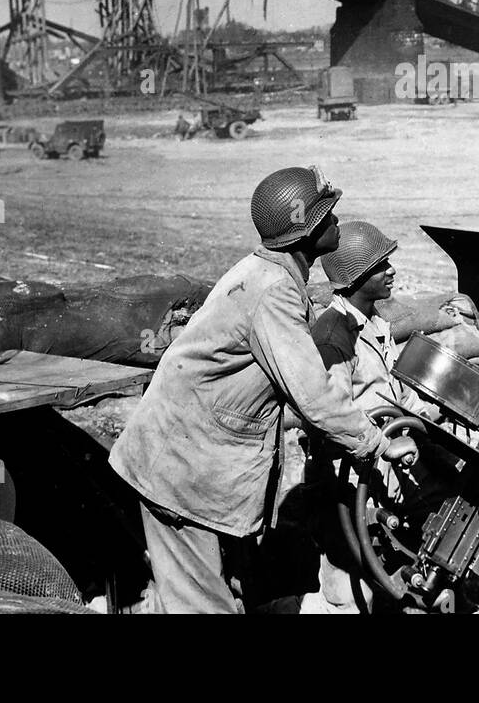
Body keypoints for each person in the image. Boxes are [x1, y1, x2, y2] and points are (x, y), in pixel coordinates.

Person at [109, 166, 417, 614]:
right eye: (328, 216)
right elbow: (313, 395)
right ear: (306, 232)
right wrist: (375, 444)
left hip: (186, 460)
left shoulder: (264, 270)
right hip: (181, 471)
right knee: (203, 606)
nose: (337, 223)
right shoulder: (274, 292)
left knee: (202, 593)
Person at [300, 221, 437, 613]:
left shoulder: (375, 325)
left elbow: (393, 392)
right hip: (346, 487)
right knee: (347, 592)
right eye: (381, 265)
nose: (392, 269)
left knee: (388, 581)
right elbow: (330, 414)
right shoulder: (333, 336)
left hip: (380, 479)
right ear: (358, 278)